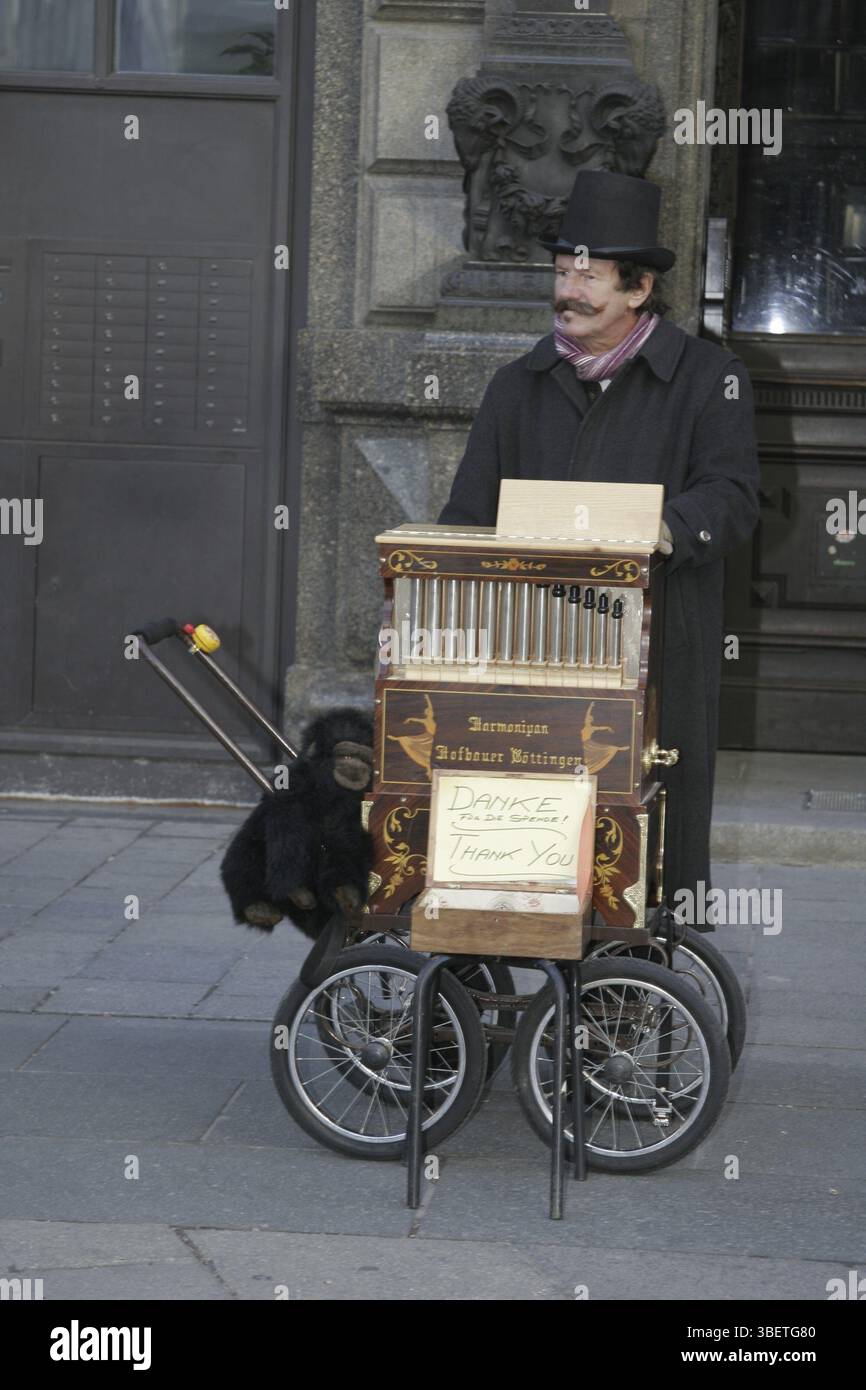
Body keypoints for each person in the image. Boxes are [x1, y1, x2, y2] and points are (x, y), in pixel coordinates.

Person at [438, 169, 760, 929]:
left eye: (589, 275)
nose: (569, 289)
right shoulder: (519, 383)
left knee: (647, 849)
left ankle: (639, 1000)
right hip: (534, 655)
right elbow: (465, 518)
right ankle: (514, 975)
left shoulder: (710, 379)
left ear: (639, 289)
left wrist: (656, 526)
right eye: (561, 270)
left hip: (657, 659)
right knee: (534, 842)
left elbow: (735, 498)